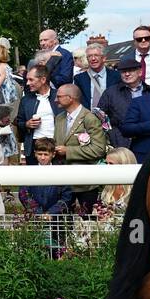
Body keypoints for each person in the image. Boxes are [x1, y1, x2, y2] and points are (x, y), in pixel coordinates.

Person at [52, 84, 107, 213]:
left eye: (59, 97)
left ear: (70, 98)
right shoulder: (59, 118)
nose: (55, 100)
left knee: (88, 221)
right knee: (61, 221)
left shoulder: (90, 118)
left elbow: (98, 149)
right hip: (63, 181)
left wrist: (68, 151)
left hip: (85, 182)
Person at [75, 43, 119, 109]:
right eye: (89, 56)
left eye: (96, 55)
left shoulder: (116, 76)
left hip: (111, 116)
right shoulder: (79, 78)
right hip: (88, 117)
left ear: (104, 58)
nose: (93, 59)